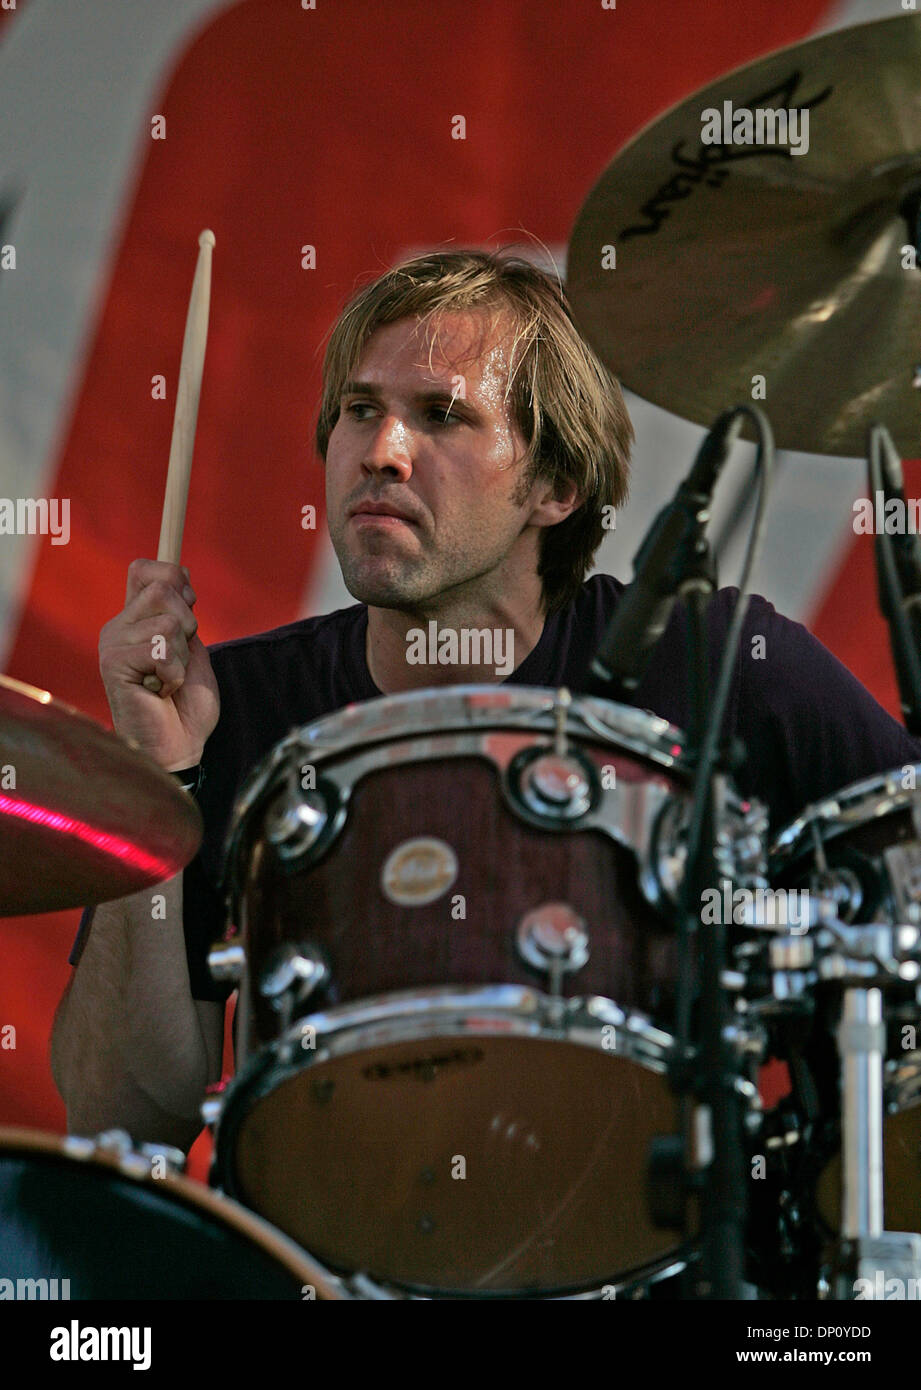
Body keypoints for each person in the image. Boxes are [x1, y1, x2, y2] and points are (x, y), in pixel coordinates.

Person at [51, 249, 921, 1153]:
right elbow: (120, 1115)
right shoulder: (228, 705)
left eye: (440, 416)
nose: (380, 452)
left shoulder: (716, 664)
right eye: (359, 411)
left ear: (555, 485)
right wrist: (157, 779)